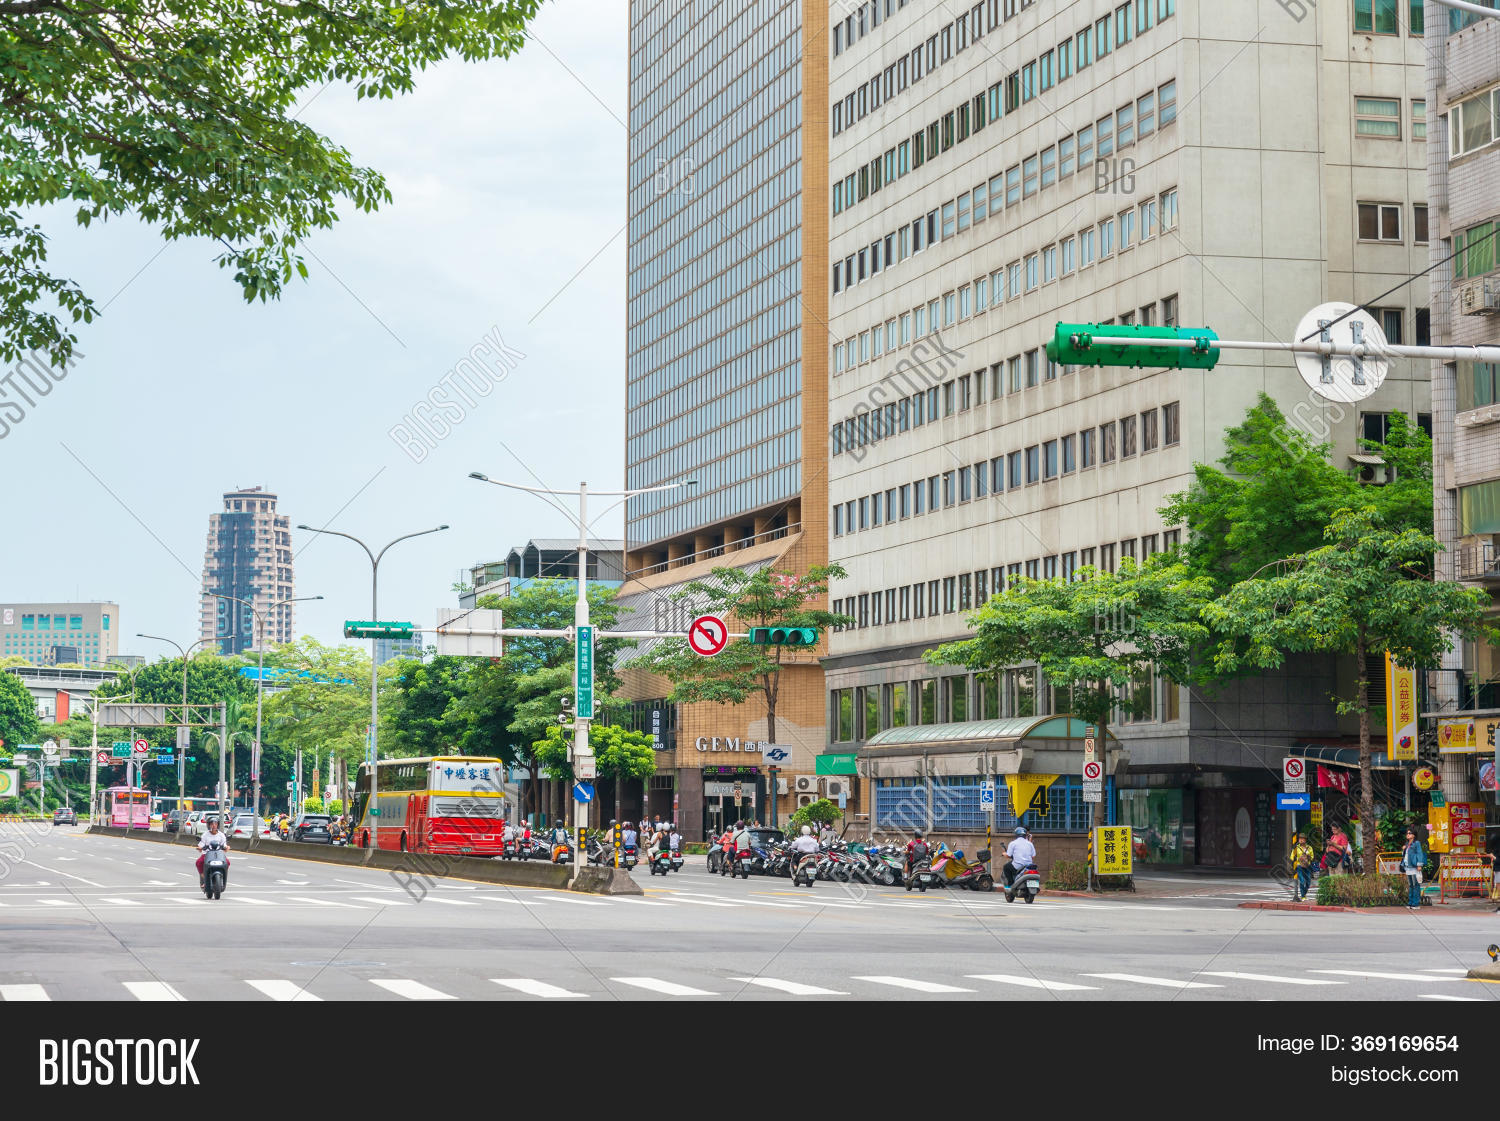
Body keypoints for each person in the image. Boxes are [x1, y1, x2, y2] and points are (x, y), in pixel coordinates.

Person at [195, 817, 230, 884]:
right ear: (209, 825)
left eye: (215, 824)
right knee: (199, 862)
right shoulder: (205, 835)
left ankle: (222, 876)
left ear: (218, 825)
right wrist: (200, 848)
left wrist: (226, 847)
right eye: (212, 824)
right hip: (207, 854)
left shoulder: (221, 835)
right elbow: (201, 844)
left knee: (227, 862)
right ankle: (203, 878)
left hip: (218, 854)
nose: (214, 826)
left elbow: (224, 844)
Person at [1401, 826, 1426, 909]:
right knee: (1411, 885)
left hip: (1414, 867)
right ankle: (1410, 903)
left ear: (1414, 835)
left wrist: (1419, 865)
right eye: (1407, 833)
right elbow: (1405, 856)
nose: (1408, 834)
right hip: (1408, 867)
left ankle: (1416, 903)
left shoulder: (1417, 843)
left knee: (1416, 885)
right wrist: (1403, 850)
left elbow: (1419, 853)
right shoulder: (1407, 844)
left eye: (1410, 833)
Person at [1289, 831, 1316, 901]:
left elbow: (1312, 857)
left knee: (1308, 882)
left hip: (1308, 866)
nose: (1301, 840)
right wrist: (1299, 858)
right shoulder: (1296, 848)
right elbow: (1292, 857)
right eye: (1300, 839)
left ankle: (1304, 894)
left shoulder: (1309, 848)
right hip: (1299, 866)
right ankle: (1303, 896)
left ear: (1305, 840)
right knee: (1302, 880)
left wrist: (1308, 857)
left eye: (1302, 839)